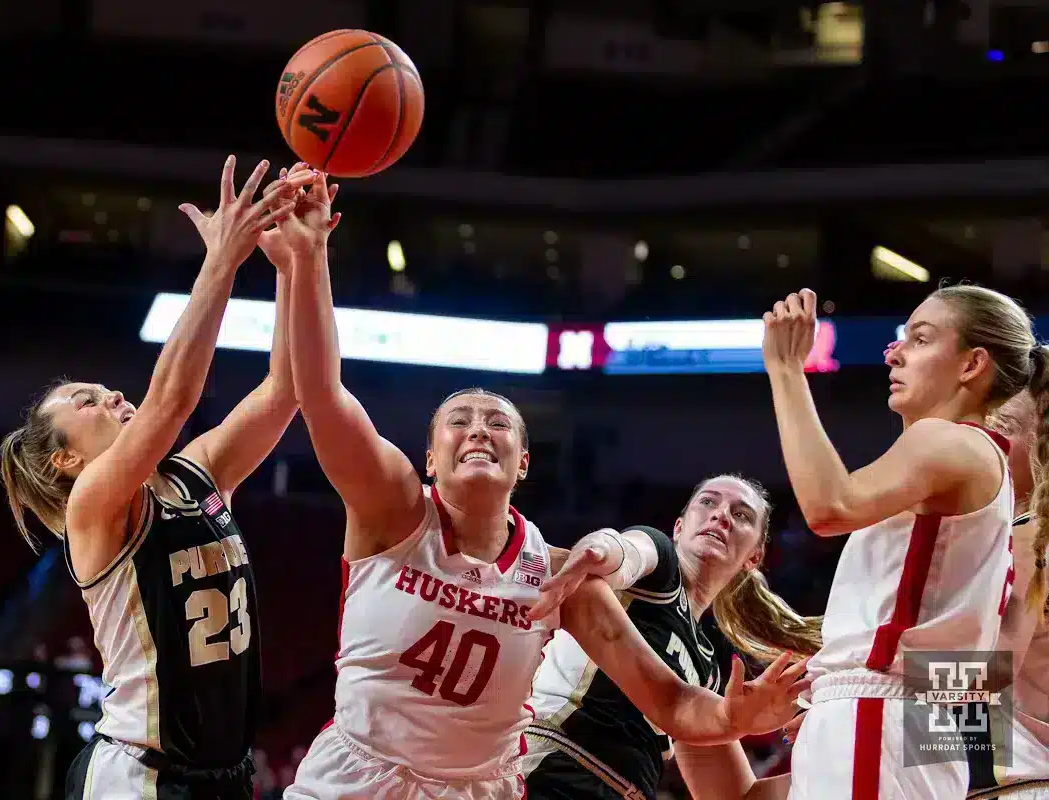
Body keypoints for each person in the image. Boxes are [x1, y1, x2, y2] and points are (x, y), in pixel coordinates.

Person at [271, 173, 809, 800]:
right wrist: (310, 256)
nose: (479, 429)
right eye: (459, 421)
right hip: (359, 777)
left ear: (523, 462)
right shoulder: (392, 509)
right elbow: (321, 394)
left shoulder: (557, 578)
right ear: (430, 459)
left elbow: (669, 702)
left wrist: (737, 718)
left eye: (498, 423)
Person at [0, 156, 315, 800]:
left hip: (224, 774)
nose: (113, 394)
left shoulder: (197, 475)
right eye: (88, 401)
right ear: (66, 460)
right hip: (141, 775)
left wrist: (297, 265)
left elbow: (286, 388)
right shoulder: (93, 508)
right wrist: (222, 259)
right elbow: (171, 400)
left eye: (103, 388)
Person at [763, 286, 1033, 800]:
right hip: (917, 716)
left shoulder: (949, 442)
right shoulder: (981, 470)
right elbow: (981, 673)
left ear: (972, 364)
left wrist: (786, 369)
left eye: (920, 339)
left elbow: (828, 508)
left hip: (884, 713)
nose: (894, 352)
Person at [522, 474, 823, 800]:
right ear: (678, 527)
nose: (721, 514)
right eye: (708, 501)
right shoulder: (658, 565)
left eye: (741, 514)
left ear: (754, 557)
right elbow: (624, 551)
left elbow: (739, 796)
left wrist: (840, 757)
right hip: (555, 765)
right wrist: (600, 549)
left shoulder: (708, 669)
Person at [965, 389, 1049, 798]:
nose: (982, 438)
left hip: (1024, 783)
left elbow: (985, 678)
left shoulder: (1029, 537)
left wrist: (861, 699)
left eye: (1000, 426)